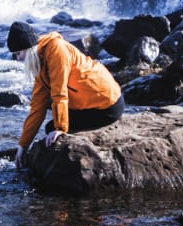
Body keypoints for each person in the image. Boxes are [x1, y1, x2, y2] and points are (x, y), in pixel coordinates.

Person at [7, 21, 124, 170]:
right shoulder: (40, 60)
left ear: (29, 49)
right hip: (87, 102)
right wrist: (22, 146)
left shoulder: (57, 50)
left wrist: (61, 128)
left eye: (18, 53)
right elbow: (37, 107)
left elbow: (59, 92)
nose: (17, 58)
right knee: (50, 125)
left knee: (53, 131)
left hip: (107, 105)